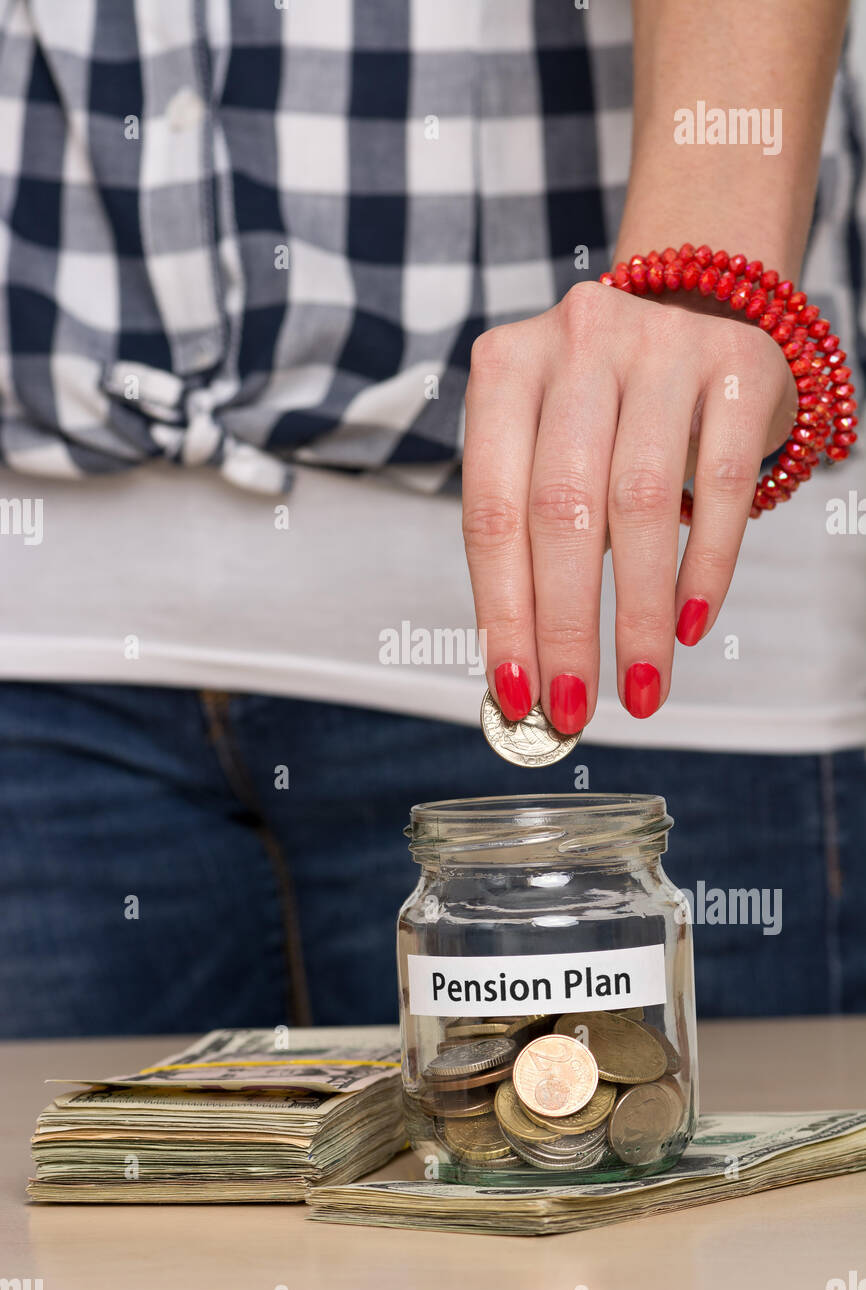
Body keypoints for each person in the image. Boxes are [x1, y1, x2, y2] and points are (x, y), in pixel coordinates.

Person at [0, 0, 863, 1037]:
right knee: (67, 1201)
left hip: (619, 600)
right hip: (39, 664)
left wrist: (697, 280)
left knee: (668, 1185)